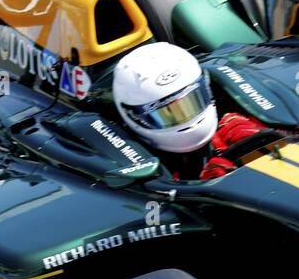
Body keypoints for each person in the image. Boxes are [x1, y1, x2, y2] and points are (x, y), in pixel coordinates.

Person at [111, 41, 267, 180]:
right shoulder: (140, 164)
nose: (187, 120)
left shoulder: (234, 126)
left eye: (191, 102)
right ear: (133, 116)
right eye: (167, 114)